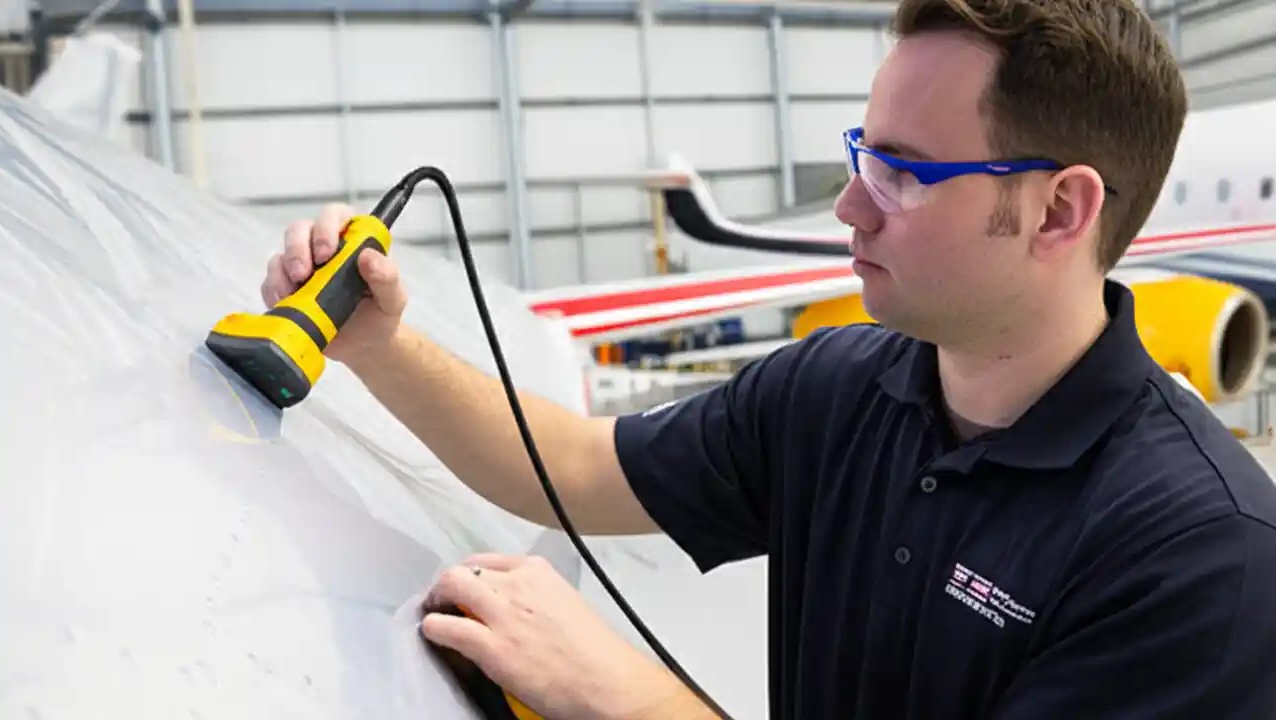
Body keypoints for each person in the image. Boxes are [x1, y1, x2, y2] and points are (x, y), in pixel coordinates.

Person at [261, 0, 1276, 717]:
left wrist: (630, 700)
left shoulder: (1196, 558)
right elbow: (567, 469)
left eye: (902, 174)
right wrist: (379, 344)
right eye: (859, 154)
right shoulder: (835, 391)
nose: (848, 205)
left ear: (1058, 209)